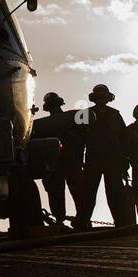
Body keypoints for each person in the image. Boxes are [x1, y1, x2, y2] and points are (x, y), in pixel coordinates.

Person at [81, 84, 135, 227]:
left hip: (113, 159)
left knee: (115, 192)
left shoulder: (115, 114)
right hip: (94, 159)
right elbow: (79, 139)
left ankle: (121, 221)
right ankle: (83, 220)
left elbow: (124, 139)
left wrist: (125, 159)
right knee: (88, 192)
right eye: (99, 97)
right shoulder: (86, 114)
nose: (101, 100)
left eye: (103, 97)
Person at [30, 92, 86, 227]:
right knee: (62, 195)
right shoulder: (72, 119)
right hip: (59, 165)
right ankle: (66, 221)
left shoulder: (71, 119)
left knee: (75, 194)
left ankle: (80, 221)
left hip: (65, 164)